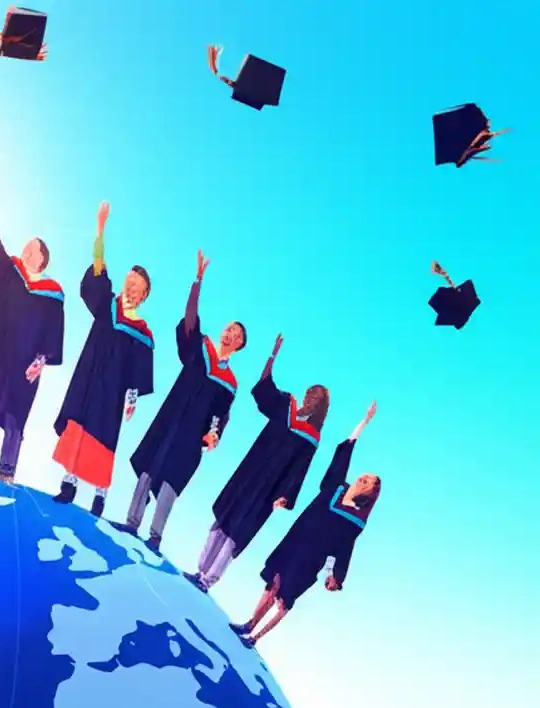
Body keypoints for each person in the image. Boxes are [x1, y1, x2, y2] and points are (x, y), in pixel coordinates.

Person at [112, 251, 246, 551]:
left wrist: (213, 433)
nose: (229, 332)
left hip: (191, 432)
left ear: (239, 345)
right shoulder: (201, 346)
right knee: (151, 461)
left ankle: (155, 536)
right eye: (228, 327)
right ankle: (131, 522)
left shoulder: (230, 382)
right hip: (171, 417)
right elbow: (189, 321)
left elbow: (220, 414)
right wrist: (197, 282)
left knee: (173, 477)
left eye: (235, 333)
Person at [186, 334, 328, 592]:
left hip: (268, 490)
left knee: (237, 533)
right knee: (223, 519)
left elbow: (300, 469)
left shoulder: (312, 437)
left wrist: (285, 495)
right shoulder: (286, 405)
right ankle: (199, 569)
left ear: (321, 408)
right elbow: (264, 388)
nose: (310, 400)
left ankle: (209, 580)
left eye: (316, 399)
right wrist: (271, 357)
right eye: (310, 394)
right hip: (249, 473)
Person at [232, 402, 379, 647]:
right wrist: (362, 425)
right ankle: (249, 624)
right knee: (273, 581)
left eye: (366, 482)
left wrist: (336, 575)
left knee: (285, 599)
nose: (361, 479)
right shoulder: (336, 488)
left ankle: (255, 638)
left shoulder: (356, 519)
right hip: (295, 541)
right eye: (363, 477)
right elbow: (344, 455)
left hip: (311, 558)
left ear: (368, 493)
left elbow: (344, 548)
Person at [53, 200, 153, 516]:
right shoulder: (108, 305)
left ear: (145, 294)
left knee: (105, 435)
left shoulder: (143, 331)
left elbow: (139, 371)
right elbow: (98, 270)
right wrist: (100, 227)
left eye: (138, 284)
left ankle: (100, 496)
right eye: (130, 280)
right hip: (90, 375)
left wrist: (132, 398)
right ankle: (68, 485)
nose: (131, 285)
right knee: (79, 424)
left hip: (113, 389)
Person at [0, 174, 65, 485]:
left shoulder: (53, 293)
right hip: (0, 356)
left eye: (31, 249)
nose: (25, 252)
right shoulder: (12, 275)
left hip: (26, 364)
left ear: (43, 258)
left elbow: (53, 332)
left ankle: (7, 471)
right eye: (24, 247)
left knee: (15, 418)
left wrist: (41, 361)